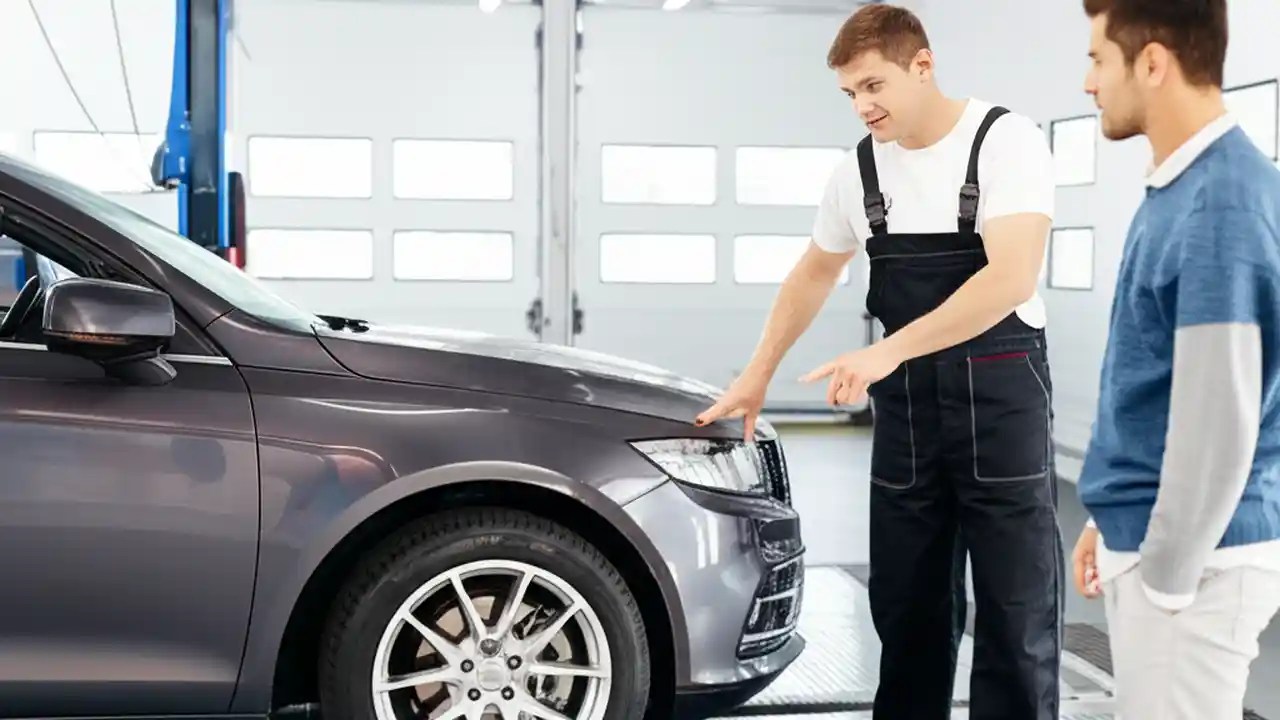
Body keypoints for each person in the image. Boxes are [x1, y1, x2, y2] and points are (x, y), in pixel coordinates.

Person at [695, 4, 1062, 719]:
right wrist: (758, 371)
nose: (862, 106)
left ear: (921, 66)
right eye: (850, 94)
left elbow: (1010, 277)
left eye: (873, 86)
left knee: (1016, 614)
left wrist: (884, 351)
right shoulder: (858, 169)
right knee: (907, 610)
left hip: (1002, 403)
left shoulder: (1004, 141)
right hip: (910, 417)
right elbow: (813, 271)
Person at [1071, 1, 1280, 718]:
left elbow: (1218, 423)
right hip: (1168, 552)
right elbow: (1155, 381)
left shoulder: (1221, 200)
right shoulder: (1180, 185)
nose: (1089, 84)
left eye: (1099, 60)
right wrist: (1109, 518)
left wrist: (1160, 576)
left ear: (1152, 63)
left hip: (1197, 574)